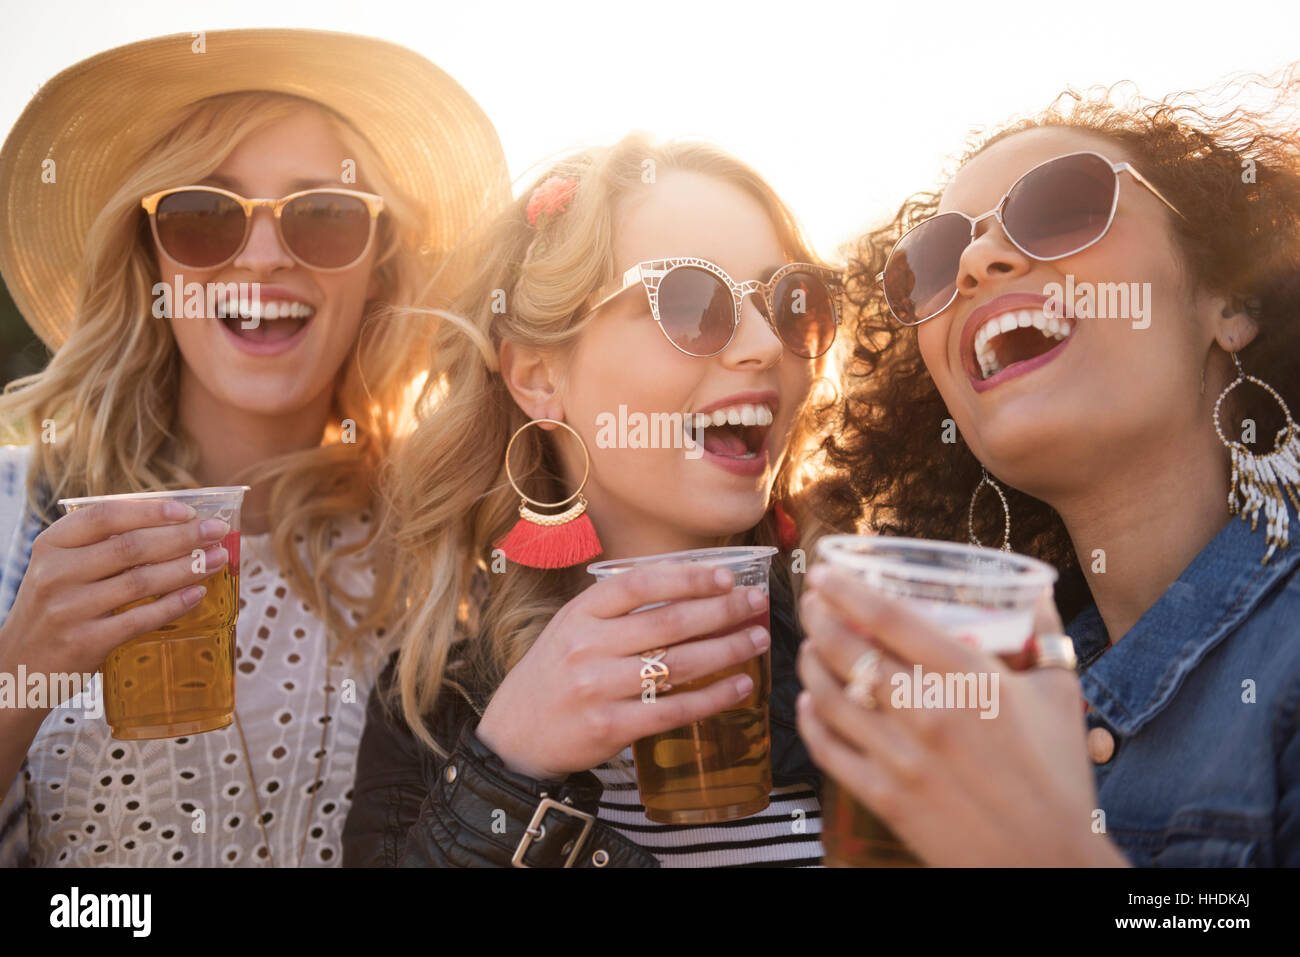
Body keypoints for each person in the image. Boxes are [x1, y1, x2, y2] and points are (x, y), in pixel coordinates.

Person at [0, 29, 508, 866]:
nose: (265, 256)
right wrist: (19, 674)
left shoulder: (450, 554)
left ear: (379, 266)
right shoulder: (12, 518)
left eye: (325, 215)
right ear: (151, 257)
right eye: (205, 216)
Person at [797, 69, 1300, 865]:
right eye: (934, 258)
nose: (977, 262)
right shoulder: (974, 699)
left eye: (1062, 207)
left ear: (1230, 304)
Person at [343, 133, 843, 866]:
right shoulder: (431, 712)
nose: (766, 344)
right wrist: (506, 772)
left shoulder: (871, 640)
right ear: (540, 376)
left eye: (789, 302)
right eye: (691, 301)